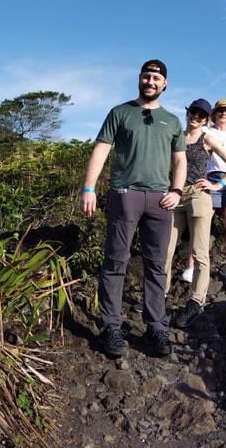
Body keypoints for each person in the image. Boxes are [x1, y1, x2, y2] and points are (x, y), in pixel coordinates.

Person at [80, 59, 185, 359]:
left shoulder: (173, 121)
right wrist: (90, 188)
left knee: (156, 264)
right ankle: (111, 325)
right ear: (139, 79)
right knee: (116, 259)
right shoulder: (120, 112)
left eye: (156, 78)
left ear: (165, 84)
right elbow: (101, 149)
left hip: (161, 199)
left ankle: (156, 327)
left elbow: (180, 161)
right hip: (125, 193)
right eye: (146, 76)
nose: (150, 82)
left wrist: (177, 191)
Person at [163, 99, 226, 329]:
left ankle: (196, 301)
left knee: (199, 251)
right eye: (193, 112)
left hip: (198, 195)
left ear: (207, 119)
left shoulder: (207, 138)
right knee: (165, 249)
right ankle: (159, 296)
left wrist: (217, 185)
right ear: (187, 112)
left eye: (201, 114)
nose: (196, 117)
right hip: (175, 194)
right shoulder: (176, 135)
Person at [180, 98, 226, 285]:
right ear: (213, 114)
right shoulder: (205, 131)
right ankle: (191, 266)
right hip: (209, 177)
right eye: (220, 111)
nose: (223, 114)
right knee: (201, 223)